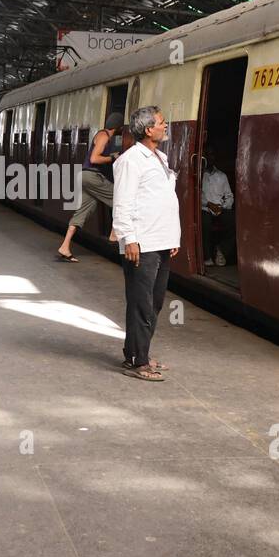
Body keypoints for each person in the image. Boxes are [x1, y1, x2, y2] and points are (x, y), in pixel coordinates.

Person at [113, 106, 180, 382]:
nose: (166, 126)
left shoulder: (159, 158)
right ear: (148, 129)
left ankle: (135, 352)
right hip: (142, 243)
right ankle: (139, 362)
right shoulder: (131, 161)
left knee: (155, 302)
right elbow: (123, 203)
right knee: (141, 303)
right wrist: (129, 239)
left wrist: (173, 237)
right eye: (162, 123)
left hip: (161, 240)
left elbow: (163, 201)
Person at [56, 112, 123, 262]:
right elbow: (94, 158)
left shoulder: (105, 136)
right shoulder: (104, 136)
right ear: (118, 127)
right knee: (121, 197)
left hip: (86, 177)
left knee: (82, 212)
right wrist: (113, 157)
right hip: (92, 176)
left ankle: (65, 246)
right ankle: (114, 233)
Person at [200, 146, 235, 267]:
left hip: (220, 209)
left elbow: (229, 195)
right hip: (205, 208)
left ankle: (221, 250)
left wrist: (223, 207)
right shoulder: (200, 175)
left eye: (212, 155)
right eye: (207, 155)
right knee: (204, 224)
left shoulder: (222, 176)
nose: (210, 158)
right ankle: (207, 257)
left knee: (233, 222)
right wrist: (208, 204)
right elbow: (196, 196)